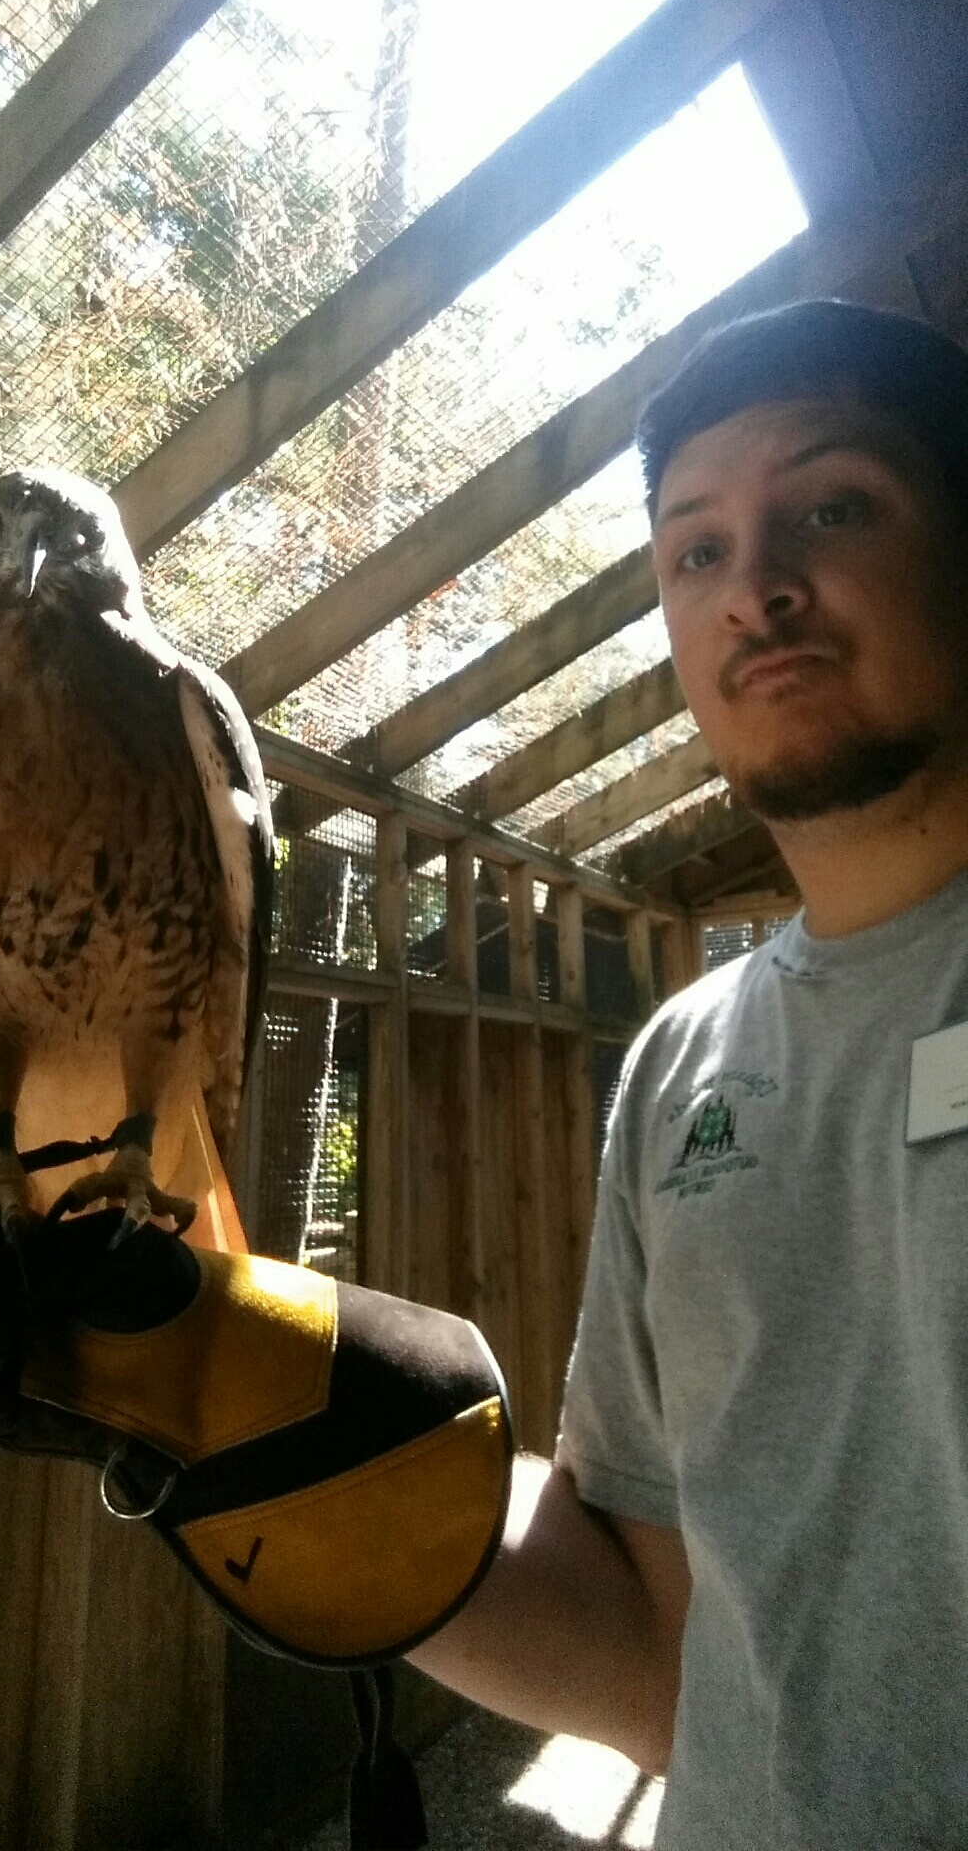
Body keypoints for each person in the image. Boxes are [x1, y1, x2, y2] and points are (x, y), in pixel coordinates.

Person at [411, 298, 968, 1849]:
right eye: (695, 552)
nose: (757, 590)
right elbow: (669, 1647)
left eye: (835, 507)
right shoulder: (682, 1062)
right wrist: (285, 1452)